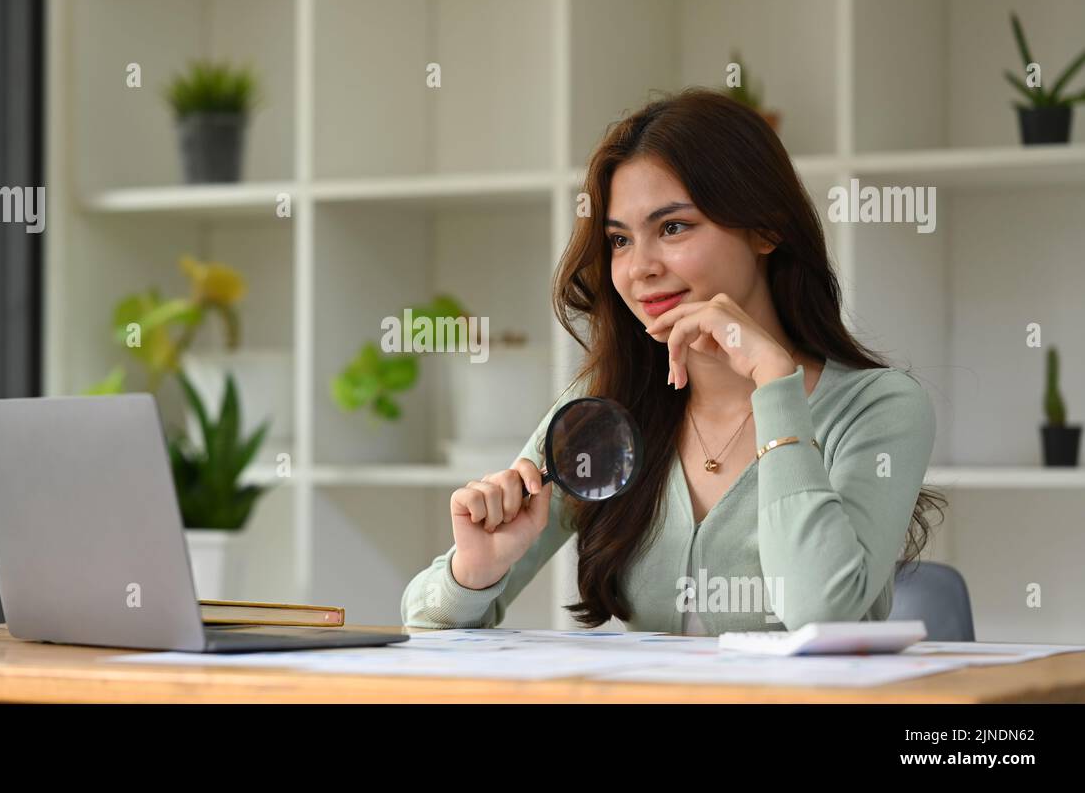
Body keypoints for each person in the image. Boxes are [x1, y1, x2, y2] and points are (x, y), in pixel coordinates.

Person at [400, 88, 946, 634]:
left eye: (673, 228)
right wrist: (475, 571)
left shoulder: (881, 407)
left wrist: (775, 384)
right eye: (618, 240)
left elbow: (820, 612)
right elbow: (422, 623)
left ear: (766, 227)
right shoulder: (603, 410)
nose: (639, 268)